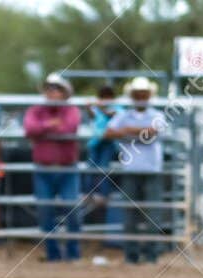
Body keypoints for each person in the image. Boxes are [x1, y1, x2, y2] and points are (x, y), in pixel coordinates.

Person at [104, 77, 169, 264]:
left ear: (149, 96)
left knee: (152, 214)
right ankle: (132, 255)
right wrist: (137, 132)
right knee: (130, 214)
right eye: (138, 94)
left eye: (144, 93)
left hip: (151, 170)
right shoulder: (125, 115)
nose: (141, 96)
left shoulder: (153, 115)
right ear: (132, 96)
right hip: (131, 169)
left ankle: (151, 255)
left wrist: (125, 130)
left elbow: (151, 132)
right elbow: (108, 133)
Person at [22, 72, 82, 262]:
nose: (53, 93)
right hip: (44, 168)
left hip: (66, 168)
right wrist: (50, 124)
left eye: (57, 89)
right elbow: (29, 129)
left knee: (72, 208)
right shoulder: (36, 110)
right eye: (50, 89)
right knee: (45, 211)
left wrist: (43, 128)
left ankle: (73, 253)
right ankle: (53, 254)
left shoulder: (71, 110)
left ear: (65, 93)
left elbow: (69, 127)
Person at [85, 85, 119, 229]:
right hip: (96, 141)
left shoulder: (116, 108)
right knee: (91, 167)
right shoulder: (98, 109)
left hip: (107, 142)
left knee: (103, 169)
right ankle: (88, 193)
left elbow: (112, 114)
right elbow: (93, 115)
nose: (105, 99)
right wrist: (89, 107)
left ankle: (103, 194)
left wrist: (99, 107)